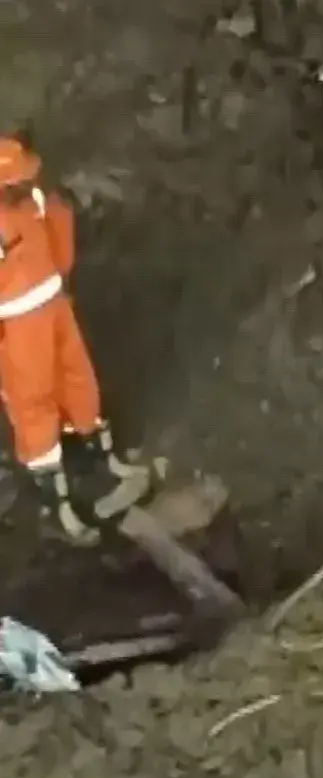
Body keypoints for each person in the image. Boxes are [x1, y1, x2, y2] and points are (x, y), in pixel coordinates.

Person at [0, 137, 149, 545]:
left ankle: (102, 463)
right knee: (33, 403)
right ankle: (58, 506)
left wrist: (62, 281)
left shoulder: (36, 199)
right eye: (14, 183)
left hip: (53, 305)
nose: (23, 186)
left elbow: (57, 236)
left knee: (78, 379)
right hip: (15, 324)